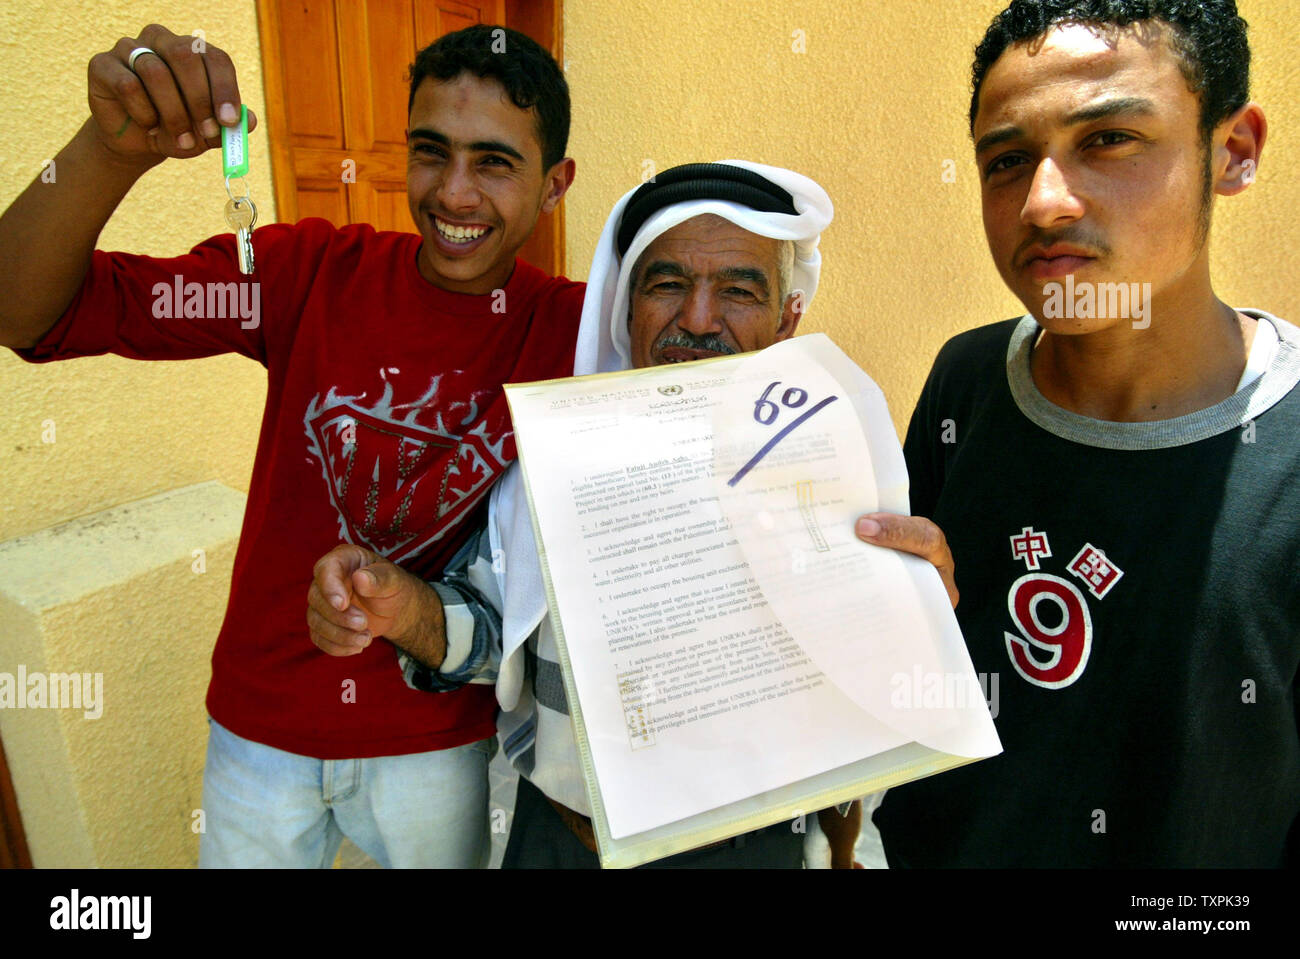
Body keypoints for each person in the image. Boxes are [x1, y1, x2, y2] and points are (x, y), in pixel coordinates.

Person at [0, 23, 583, 868]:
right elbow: (27, 312)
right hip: (261, 730)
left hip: (445, 739)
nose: (455, 193)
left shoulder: (574, 335)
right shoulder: (307, 273)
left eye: (494, 162)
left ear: (555, 184)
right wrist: (109, 149)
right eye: (431, 151)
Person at [314, 161, 961, 867]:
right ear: (626, 309)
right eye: (668, 284)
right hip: (562, 845)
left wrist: (916, 615)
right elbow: (496, 635)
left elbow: (862, 699)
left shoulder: (834, 472)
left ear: (787, 318)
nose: (699, 319)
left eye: (739, 290)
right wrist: (399, 607)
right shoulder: (552, 461)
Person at [872, 0, 1299, 867]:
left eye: (1109, 140)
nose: (1044, 203)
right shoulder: (968, 381)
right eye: (1006, 160)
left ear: (1233, 149)